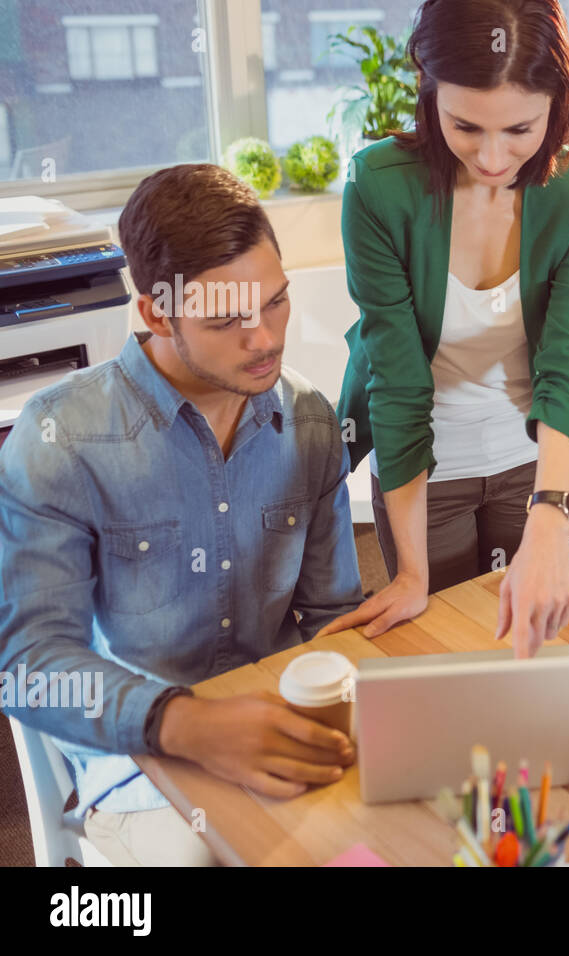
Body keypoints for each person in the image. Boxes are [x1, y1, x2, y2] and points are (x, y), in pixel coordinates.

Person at [0, 164, 365, 865]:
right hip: (140, 763)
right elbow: (29, 667)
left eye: (276, 303)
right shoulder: (59, 442)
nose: (264, 339)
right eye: (228, 320)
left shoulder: (311, 420)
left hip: (281, 722)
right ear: (155, 313)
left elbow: (329, 615)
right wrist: (187, 724)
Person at [326, 0, 569, 658]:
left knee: (532, 645)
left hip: (530, 458)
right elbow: (395, 379)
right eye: (465, 126)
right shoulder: (377, 187)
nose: (491, 157)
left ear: (556, 100)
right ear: (427, 83)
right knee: (444, 646)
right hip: (428, 466)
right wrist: (410, 574)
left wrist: (552, 514)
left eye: (519, 129)